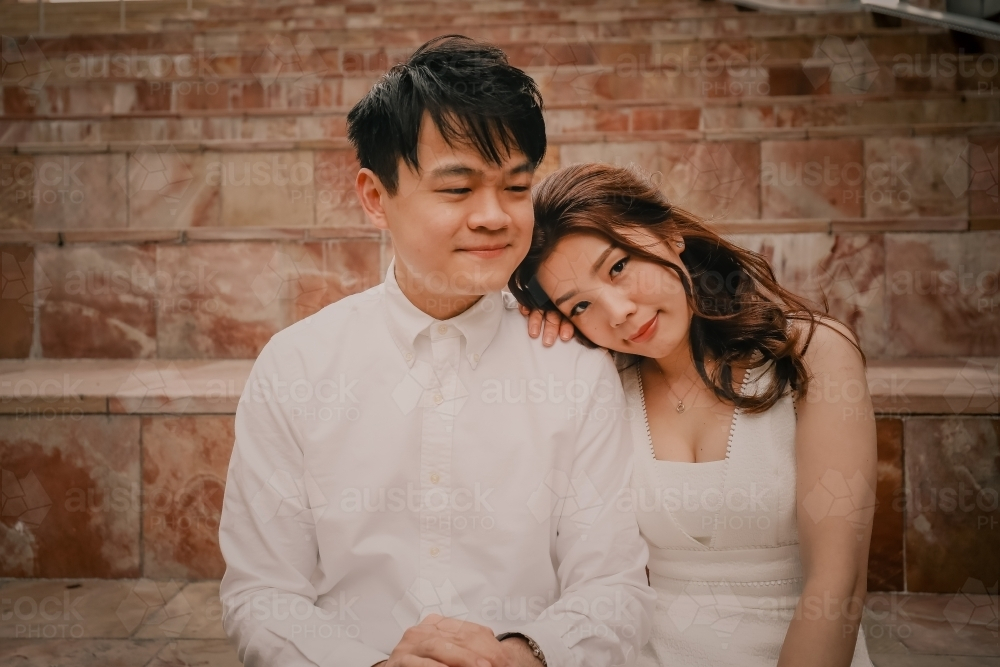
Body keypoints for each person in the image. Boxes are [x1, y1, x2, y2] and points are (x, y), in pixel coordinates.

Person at [218, 36, 655, 667]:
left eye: (514, 187)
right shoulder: (297, 367)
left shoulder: (574, 367)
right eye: (457, 190)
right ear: (375, 197)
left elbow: (614, 585)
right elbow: (261, 593)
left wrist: (524, 655)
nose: (494, 217)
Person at [510, 163, 878, 667]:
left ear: (670, 234)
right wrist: (522, 327)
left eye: (617, 267)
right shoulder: (602, 385)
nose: (617, 312)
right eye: (579, 306)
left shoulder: (812, 353)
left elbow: (838, 583)